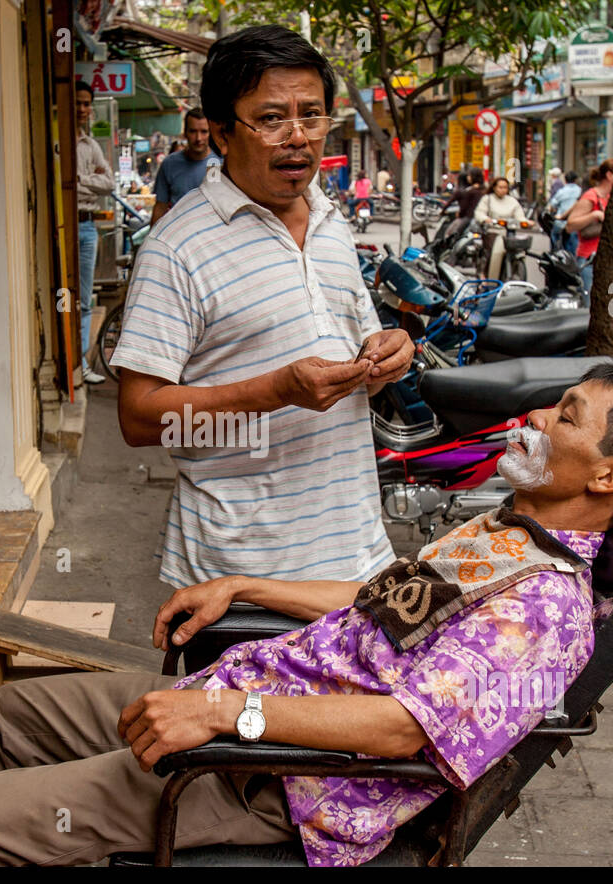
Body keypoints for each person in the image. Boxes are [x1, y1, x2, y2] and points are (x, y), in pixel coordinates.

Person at [0, 363, 613, 866]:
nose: (539, 417)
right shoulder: (508, 530)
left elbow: (403, 729)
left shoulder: (543, 608)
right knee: (13, 713)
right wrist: (244, 588)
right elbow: (383, 598)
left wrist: (223, 714)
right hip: (256, 693)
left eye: (568, 416)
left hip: (279, 779)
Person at [106, 25, 413, 589]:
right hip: (236, 578)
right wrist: (275, 392)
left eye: (312, 115)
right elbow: (139, 417)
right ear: (223, 133)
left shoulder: (332, 221)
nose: (298, 137)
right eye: (271, 119)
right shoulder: (178, 247)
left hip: (358, 559)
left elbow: (359, 352)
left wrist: (386, 355)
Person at [75, 79, 115, 385]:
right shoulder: (59, 143)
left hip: (88, 226)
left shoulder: (92, 145)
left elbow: (109, 184)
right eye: (77, 102)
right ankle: (70, 364)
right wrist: (90, 179)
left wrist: (81, 180)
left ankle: (82, 364)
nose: (82, 108)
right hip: (66, 224)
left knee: (86, 299)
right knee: (65, 295)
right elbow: (64, 183)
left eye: (87, 103)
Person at [151, 109, 222, 226]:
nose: (198, 138)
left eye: (204, 132)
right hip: (179, 235)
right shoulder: (170, 164)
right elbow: (160, 206)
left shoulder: (220, 164)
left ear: (211, 133)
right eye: (193, 131)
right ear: (185, 133)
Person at [565, 158, 613, 295]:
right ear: (610, 175)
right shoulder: (591, 196)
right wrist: (594, 215)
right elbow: (570, 225)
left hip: (607, 261)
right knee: (589, 308)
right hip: (589, 260)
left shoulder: (610, 197)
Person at [473, 176, 527, 279]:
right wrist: (486, 219)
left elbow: (520, 216)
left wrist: (526, 222)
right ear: (494, 188)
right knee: (491, 251)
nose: (503, 190)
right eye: (500, 187)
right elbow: (479, 213)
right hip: (492, 231)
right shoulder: (487, 199)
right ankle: (485, 275)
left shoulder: (512, 201)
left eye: (505, 187)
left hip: (508, 233)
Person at [546, 170, 582, 256]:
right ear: (576, 180)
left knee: (554, 235)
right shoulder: (580, 191)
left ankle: (554, 253)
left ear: (565, 180)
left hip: (560, 222)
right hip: (575, 223)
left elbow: (552, 205)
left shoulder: (561, 191)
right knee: (573, 245)